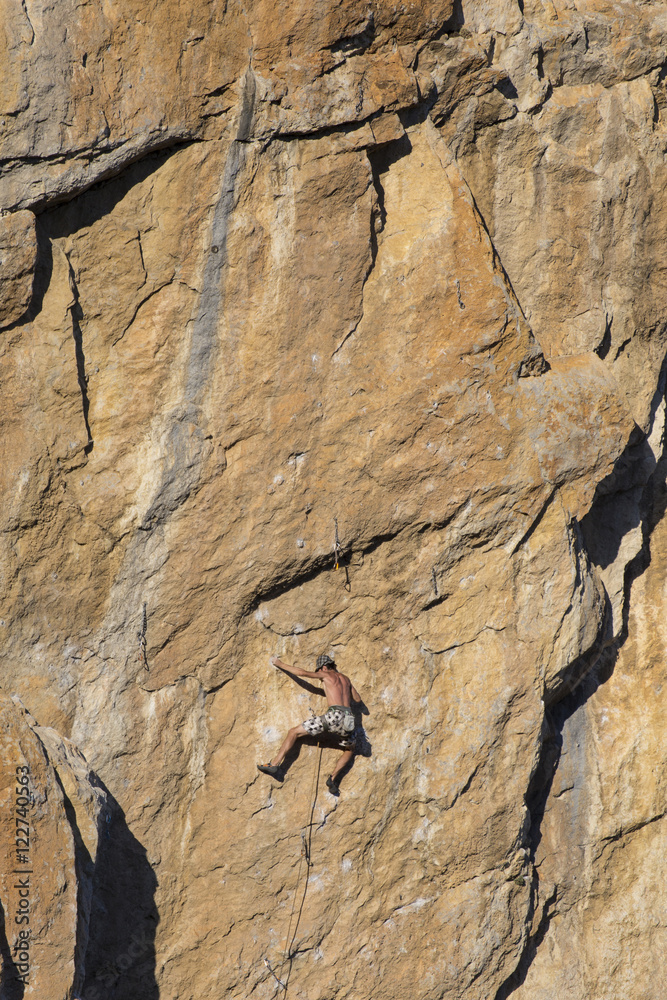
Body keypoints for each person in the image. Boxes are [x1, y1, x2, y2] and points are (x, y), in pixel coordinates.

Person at [257, 653, 362, 795]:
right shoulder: (346, 679)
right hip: (349, 719)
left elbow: (302, 673)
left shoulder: (325, 675)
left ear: (324, 667)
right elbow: (357, 699)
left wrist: (279, 664)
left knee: (294, 732)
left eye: (318, 670)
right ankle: (333, 779)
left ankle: (274, 764)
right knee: (350, 749)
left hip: (334, 715)